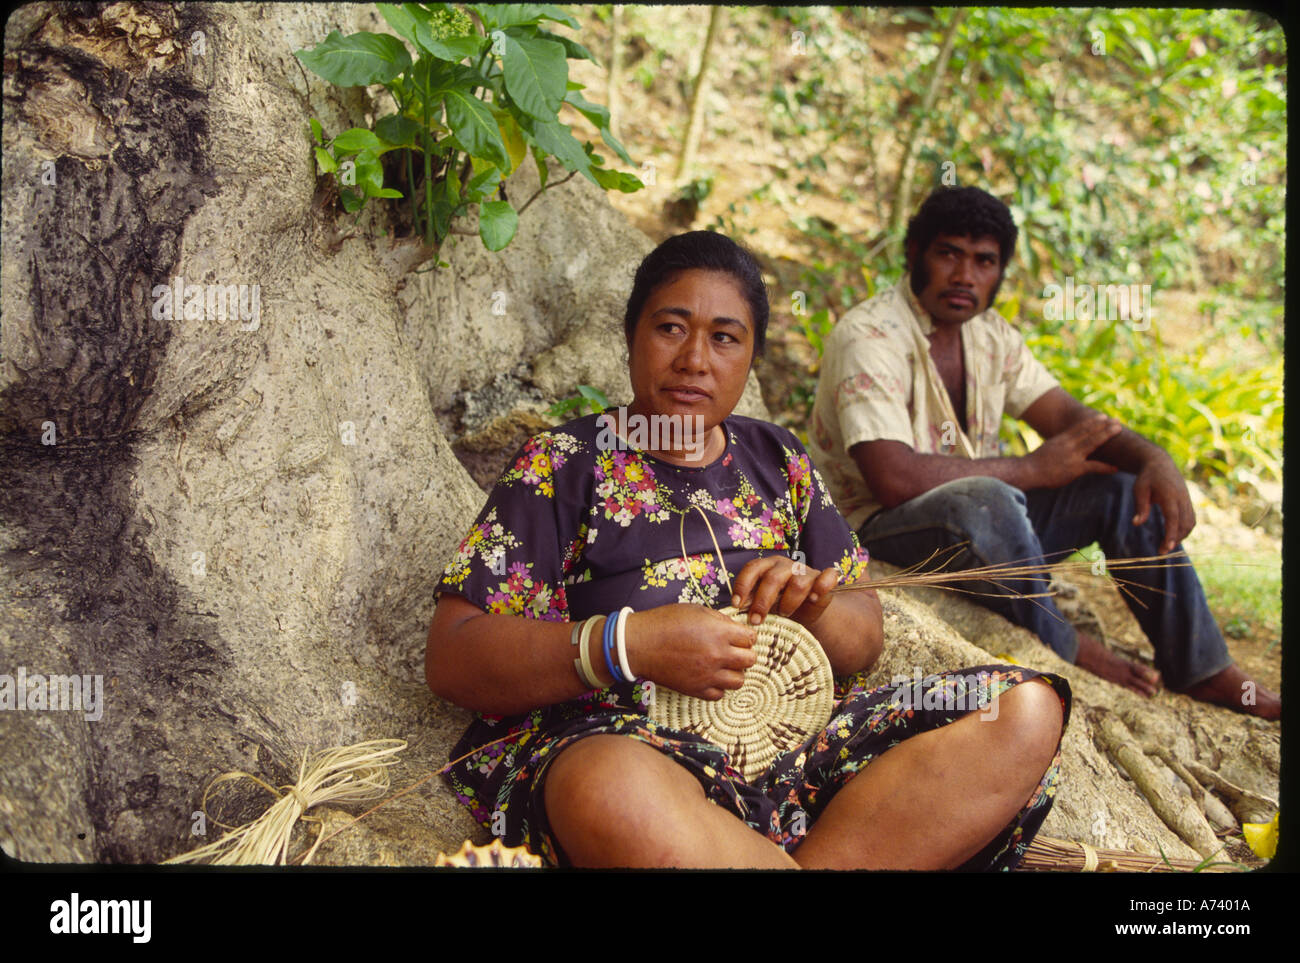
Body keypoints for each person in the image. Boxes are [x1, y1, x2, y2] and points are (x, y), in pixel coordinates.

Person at [425, 230, 1070, 869]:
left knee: (1020, 711)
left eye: (725, 338)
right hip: (634, 751)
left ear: (752, 355)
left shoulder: (776, 458)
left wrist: (813, 606)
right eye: (670, 328)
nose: (694, 360)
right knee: (607, 791)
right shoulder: (564, 466)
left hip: (799, 753)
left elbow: (863, 638)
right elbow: (454, 656)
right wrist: (628, 645)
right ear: (630, 336)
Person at [808, 186, 1279, 720]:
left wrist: (1154, 459)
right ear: (915, 253)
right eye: (948, 254)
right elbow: (892, 477)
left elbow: (1070, 419)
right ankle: (1066, 644)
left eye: (984, 261)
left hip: (979, 529)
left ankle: (1203, 667)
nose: (965, 275)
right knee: (987, 501)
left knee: (1121, 490)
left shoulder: (991, 336)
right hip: (875, 531)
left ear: (1000, 272)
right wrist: (1033, 468)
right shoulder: (870, 336)